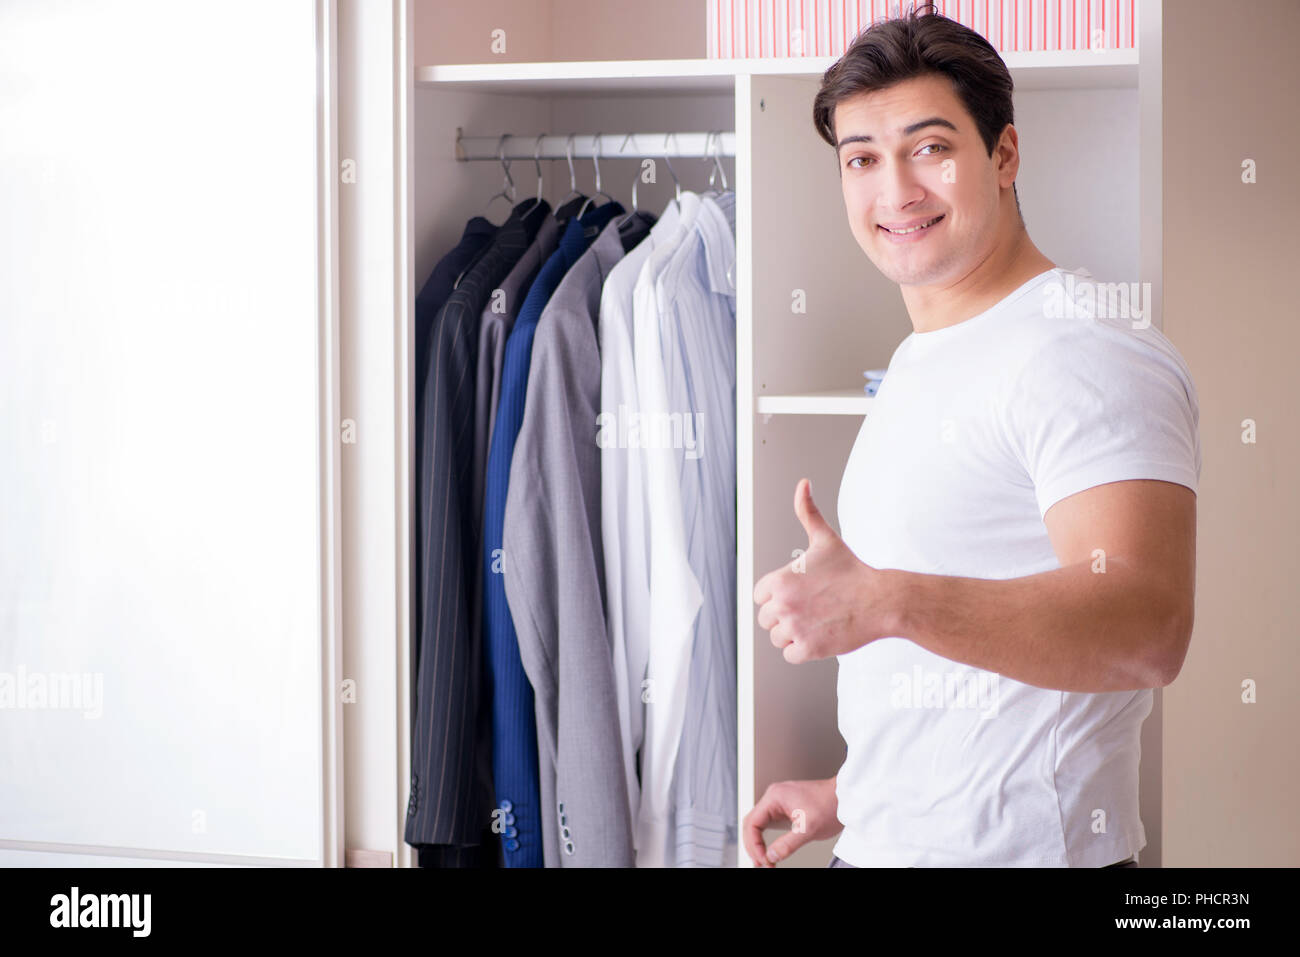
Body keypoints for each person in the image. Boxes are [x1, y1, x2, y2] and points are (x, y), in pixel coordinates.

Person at [745, 4, 1199, 869]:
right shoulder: (930, 353)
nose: (896, 192)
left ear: (1004, 156)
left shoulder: (1082, 349)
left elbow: (1149, 624)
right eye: (863, 160)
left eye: (930, 148)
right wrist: (860, 794)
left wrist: (885, 599)